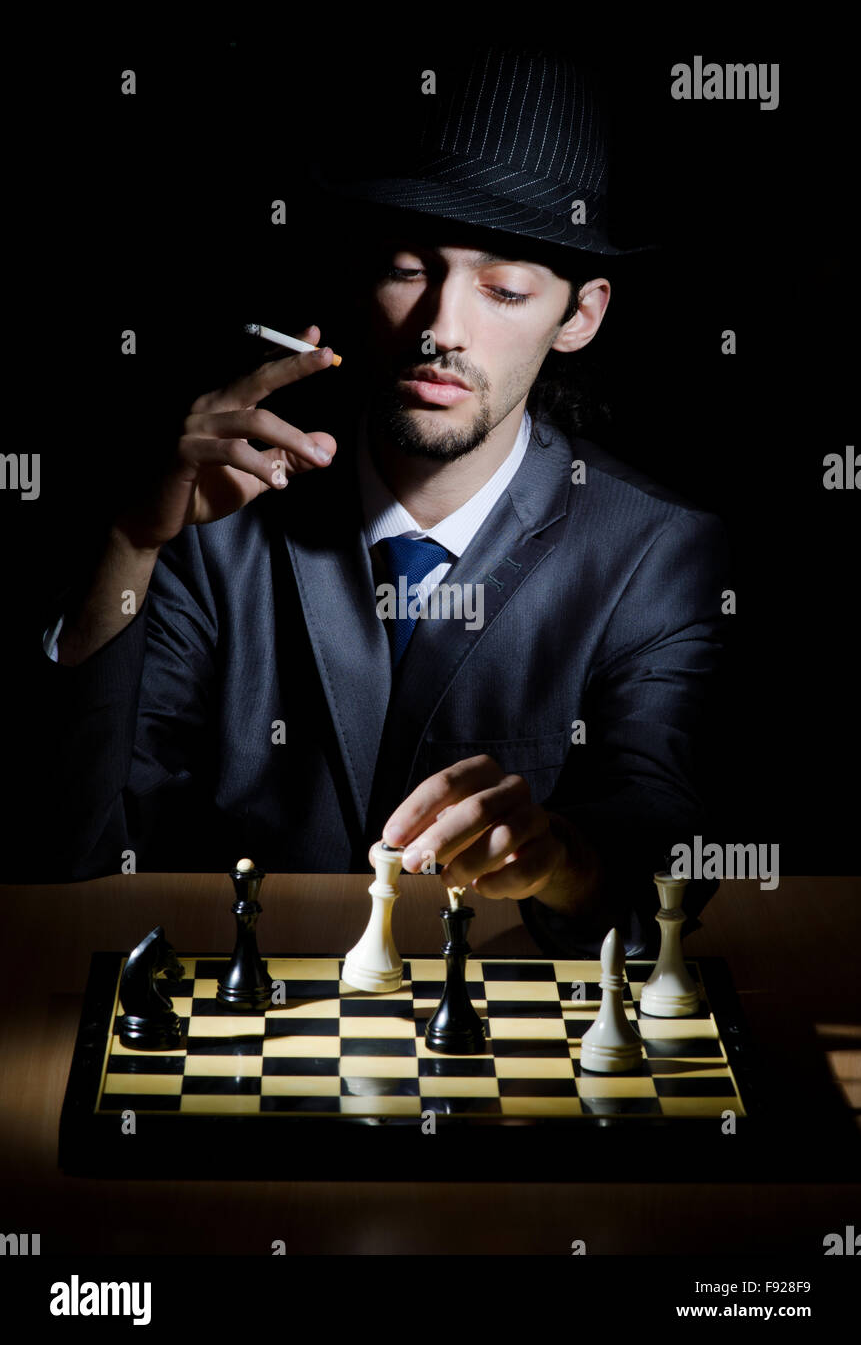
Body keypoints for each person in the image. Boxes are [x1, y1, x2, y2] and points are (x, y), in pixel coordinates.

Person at [41, 47, 728, 957]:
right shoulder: (215, 516)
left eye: (504, 289)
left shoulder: (655, 550)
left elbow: (666, 855)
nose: (442, 329)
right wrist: (129, 540)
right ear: (358, 279)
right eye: (409, 269)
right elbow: (74, 851)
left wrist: (556, 856)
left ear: (580, 316)